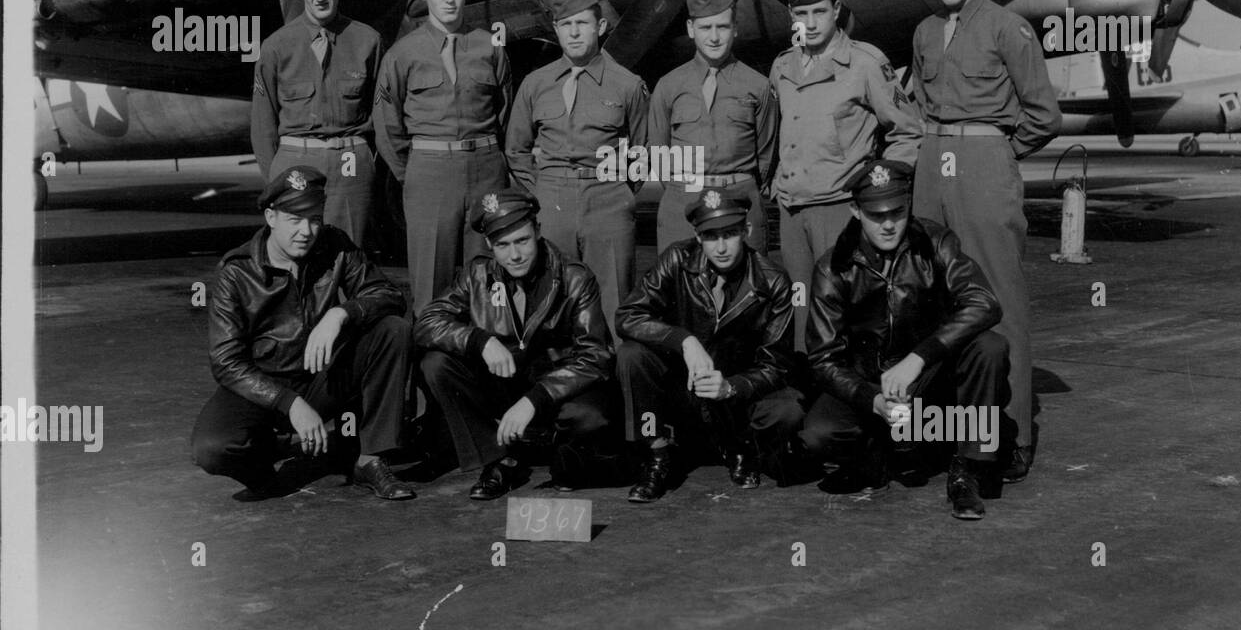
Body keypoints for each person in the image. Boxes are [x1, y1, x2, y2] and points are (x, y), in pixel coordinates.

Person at [909, 0, 1062, 483]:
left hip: (983, 167)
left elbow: (1043, 114)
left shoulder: (1008, 26)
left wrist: (997, 152)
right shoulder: (924, 32)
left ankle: (1012, 433)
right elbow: (923, 104)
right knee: (931, 299)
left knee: (998, 299)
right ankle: (949, 433)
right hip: (932, 167)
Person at [192, 167, 415, 501]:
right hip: (265, 386)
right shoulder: (236, 271)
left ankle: (369, 458)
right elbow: (226, 362)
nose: (306, 231)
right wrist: (289, 403)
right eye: (294, 220)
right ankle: (282, 455)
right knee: (212, 448)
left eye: (314, 219)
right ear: (270, 217)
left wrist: (341, 313)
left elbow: (388, 294)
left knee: (392, 330)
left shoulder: (335, 245)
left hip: (324, 377)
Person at [802, 160, 1008, 520]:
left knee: (989, 346)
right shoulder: (832, 267)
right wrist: (873, 400)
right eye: (875, 214)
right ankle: (882, 451)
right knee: (819, 434)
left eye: (897, 212)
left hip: (930, 381)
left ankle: (968, 470)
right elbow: (822, 359)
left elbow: (985, 302)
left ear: (908, 205)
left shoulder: (936, 242)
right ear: (855, 211)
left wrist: (919, 358)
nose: (887, 224)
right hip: (871, 386)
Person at [416, 188, 620, 499]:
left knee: (592, 418)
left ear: (538, 231)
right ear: (489, 245)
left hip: (553, 392)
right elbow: (427, 323)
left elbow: (596, 356)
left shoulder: (575, 278)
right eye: (502, 245)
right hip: (502, 387)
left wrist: (536, 399)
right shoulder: (477, 274)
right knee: (436, 363)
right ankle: (499, 459)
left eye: (522, 241)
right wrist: (479, 340)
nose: (514, 255)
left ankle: (554, 450)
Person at [768, 0, 922, 348]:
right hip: (791, 211)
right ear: (791, 15)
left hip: (838, 208)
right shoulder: (782, 66)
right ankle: (809, 391)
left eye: (820, 12)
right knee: (802, 311)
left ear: (836, 10)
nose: (812, 23)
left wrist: (881, 187)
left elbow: (907, 130)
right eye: (802, 14)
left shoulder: (865, 63)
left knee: (849, 311)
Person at [616, 187, 805, 502]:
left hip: (737, 393)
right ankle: (658, 454)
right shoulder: (678, 258)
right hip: (684, 385)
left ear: (746, 231)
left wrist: (730, 387)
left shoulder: (773, 281)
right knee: (630, 355)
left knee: (787, 410)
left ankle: (743, 448)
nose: (720, 247)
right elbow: (628, 315)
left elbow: (777, 365)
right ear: (696, 235)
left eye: (729, 234)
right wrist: (683, 340)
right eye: (710, 236)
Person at [505, 0, 649, 337]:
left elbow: (642, 153)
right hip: (551, 203)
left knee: (613, 302)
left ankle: (613, 383)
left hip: (608, 202)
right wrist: (541, 190)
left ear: (600, 27)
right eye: (565, 24)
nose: (573, 32)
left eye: (582, 23)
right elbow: (516, 149)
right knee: (552, 301)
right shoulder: (535, 84)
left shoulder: (628, 85)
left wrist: (616, 192)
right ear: (555, 30)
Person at [374, 0, 513, 311]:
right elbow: (387, 126)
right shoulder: (403, 54)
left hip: (486, 172)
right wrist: (416, 173)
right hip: (429, 175)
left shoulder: (490, 46)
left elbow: (505, 111)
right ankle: (430, 361)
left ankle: (487, 359)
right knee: (431, 284)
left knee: (488, 280)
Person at [251, 0, 384, 247]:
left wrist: (367, 162)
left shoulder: (368, 41)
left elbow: (381, 114)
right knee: (299, 257)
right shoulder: (276, 47)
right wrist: (278, 180)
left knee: (349, 257)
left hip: (351, 165)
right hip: (296, 163)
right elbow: (262, 126)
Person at [648, 0, 776, 253]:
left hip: (740, 200)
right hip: (683, 202)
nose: (715, 37)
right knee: (681, 288)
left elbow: (765, 154)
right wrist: (683, 187)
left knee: (746, 289)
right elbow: (658, 151)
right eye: (706, 27)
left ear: (736, 29)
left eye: (723, 27)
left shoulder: (758, 85)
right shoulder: (668, 86)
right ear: (691, 29)